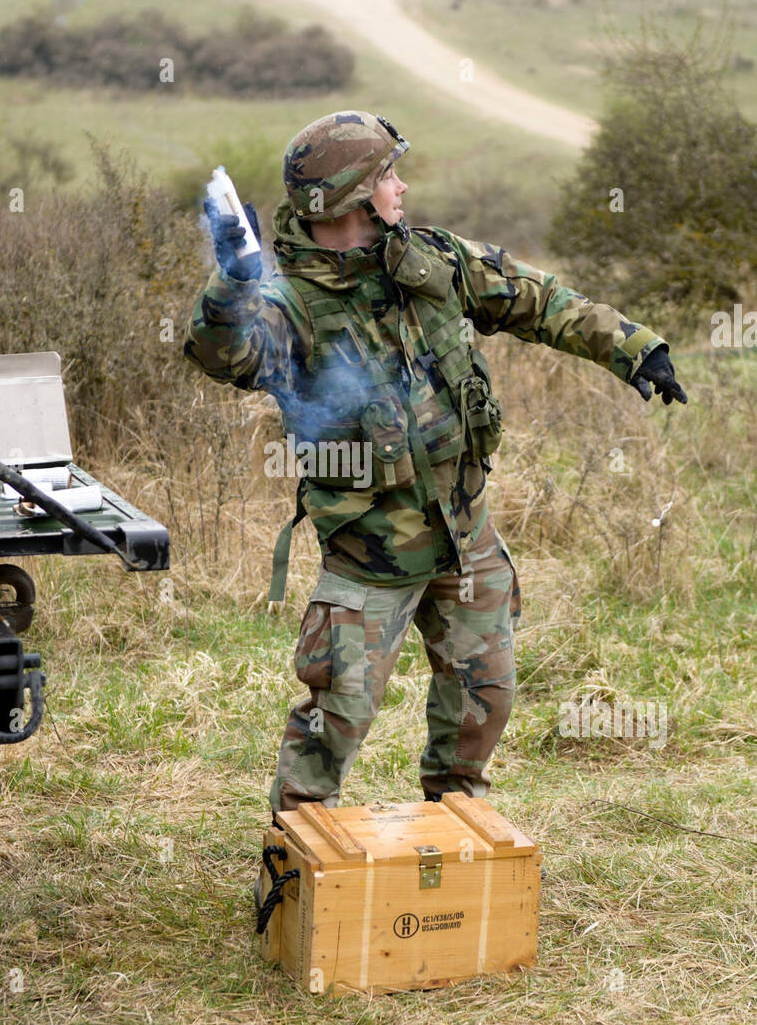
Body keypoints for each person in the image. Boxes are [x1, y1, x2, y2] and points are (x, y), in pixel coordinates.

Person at [184, 110, 686, 818]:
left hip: (466, 539)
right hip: (370, 562)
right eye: (387, 174)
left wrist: (635, 349)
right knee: (338, 719)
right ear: (351, 198)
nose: (403, 185)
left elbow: (537, 299)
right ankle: (293, 869)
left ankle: (459, 830)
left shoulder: (433, 260)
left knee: (484, 698)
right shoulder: (286, 305)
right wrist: (231, 282)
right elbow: (222, 354)